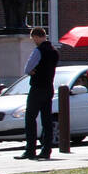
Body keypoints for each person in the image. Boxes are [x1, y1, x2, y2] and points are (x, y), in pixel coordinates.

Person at [19, 26, 59, 160]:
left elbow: (27, 68)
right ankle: (46, 150)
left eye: (33, 39)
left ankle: (30, 149)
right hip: (48, 87)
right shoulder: (54, 52)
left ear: (37, 37)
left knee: (30, 118)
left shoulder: (38, 50)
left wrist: (31, 71)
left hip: (37, 88)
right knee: (46, 120)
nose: (34, 41)